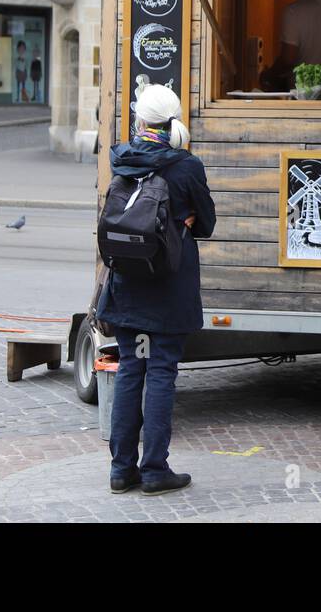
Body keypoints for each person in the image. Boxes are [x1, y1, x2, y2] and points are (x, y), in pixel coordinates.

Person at [96, 84, 217, 496]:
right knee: (161, 371)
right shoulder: (186, 166)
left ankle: (120, 469)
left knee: (132, 367)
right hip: (167, 287)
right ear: (174, 122)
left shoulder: (124, 159)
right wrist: (184, 222)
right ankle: (154, 470)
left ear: (141, 121)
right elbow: (208, 223)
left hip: (128, 285)